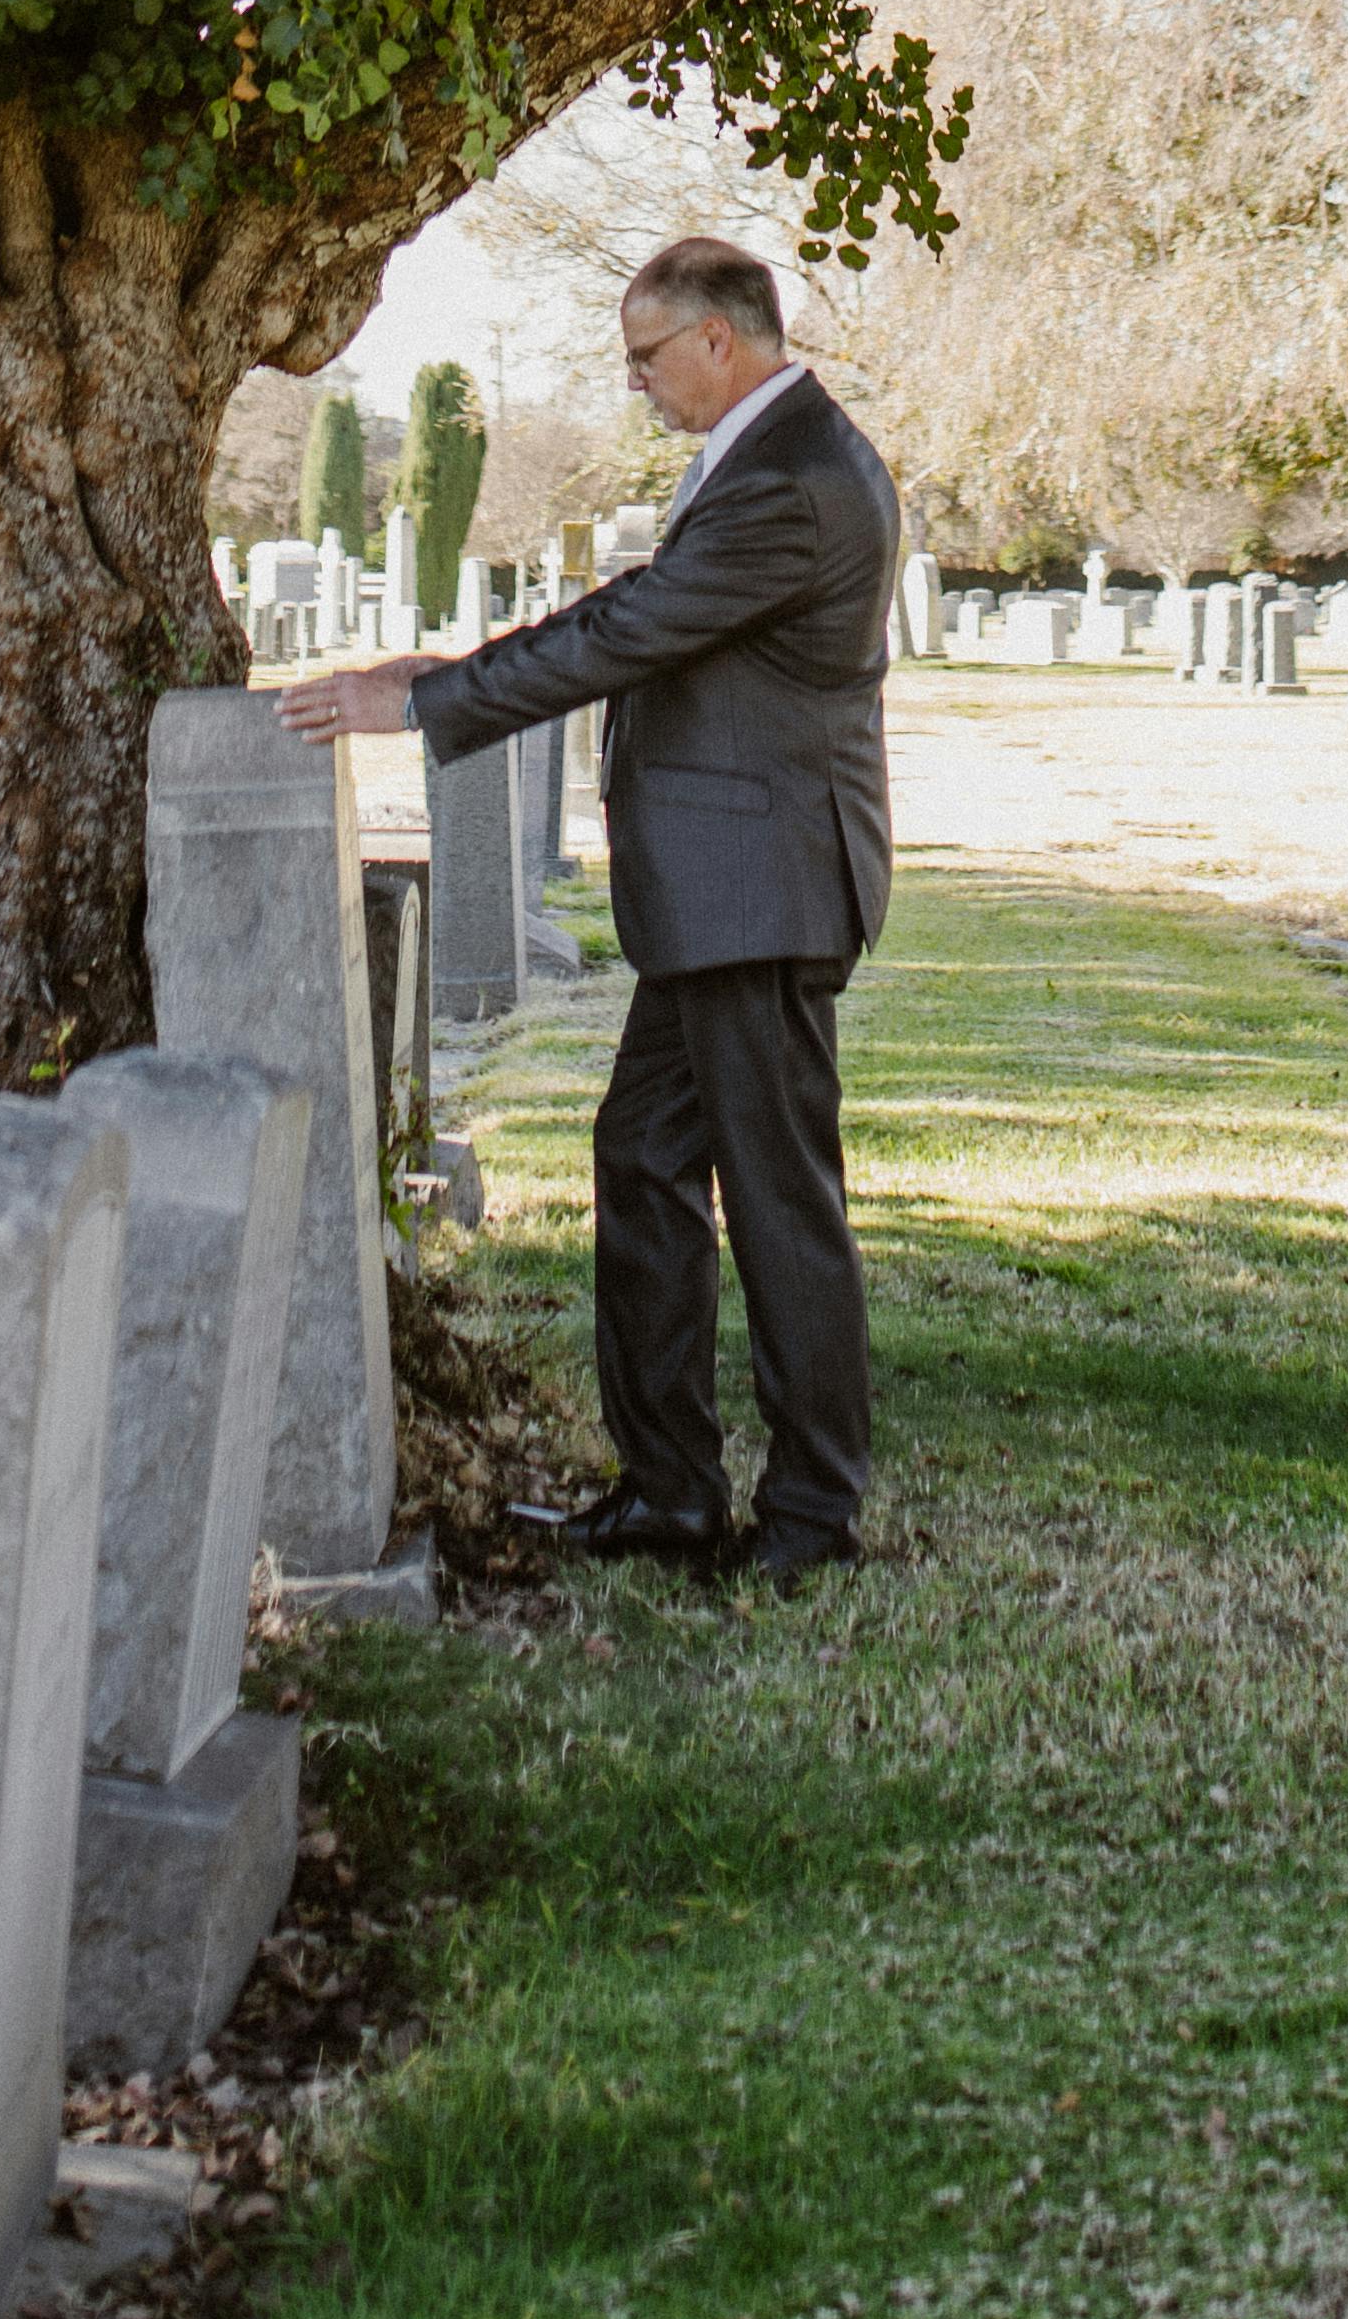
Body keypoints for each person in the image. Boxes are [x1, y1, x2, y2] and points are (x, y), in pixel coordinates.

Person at [277, 234, 901, 1580]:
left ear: (720, 340)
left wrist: (428, 696)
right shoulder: (769, 455)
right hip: (729, 894)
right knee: (642, 1156)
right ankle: (672, 1489)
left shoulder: (794, 477)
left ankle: (811, 1519)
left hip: (767, 890)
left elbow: (633, 629)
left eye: (646, 357)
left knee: (782, 1201)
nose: (637, 385)